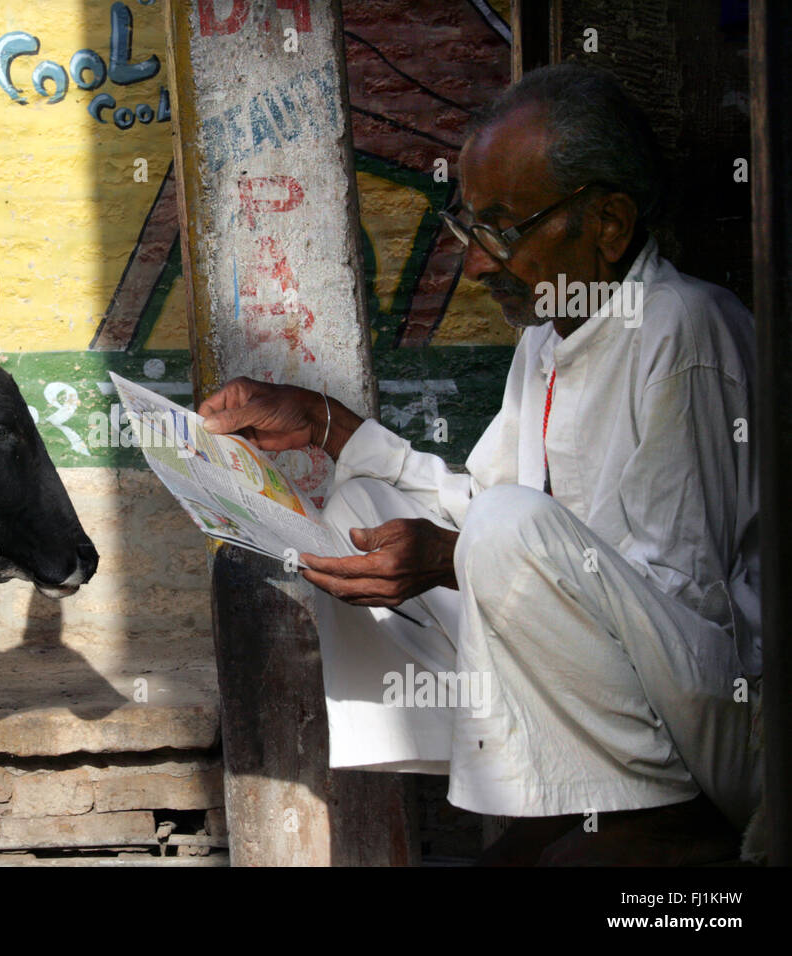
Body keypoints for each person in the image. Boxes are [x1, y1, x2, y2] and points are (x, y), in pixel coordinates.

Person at [197, 63, 762, 865]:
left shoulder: (681, 332)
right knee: (361, 502)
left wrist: (460, 558)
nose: (477, 264)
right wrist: (327, 424)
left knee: (493, 532)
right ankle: (528, 788)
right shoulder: (550, 335)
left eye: (503, 230)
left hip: (718, 732)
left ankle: (656, 814)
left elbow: (684, 613)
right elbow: (483, 507)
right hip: (611, 686)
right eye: (472, 228)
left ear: (607, 223)